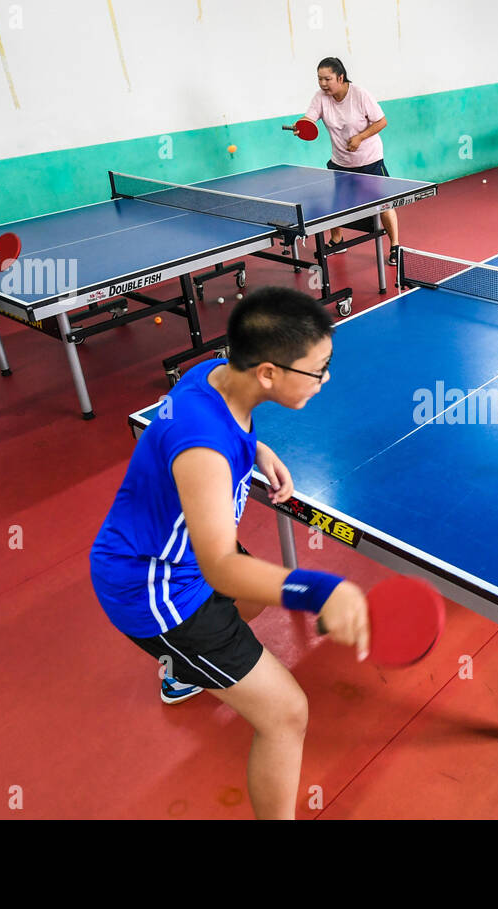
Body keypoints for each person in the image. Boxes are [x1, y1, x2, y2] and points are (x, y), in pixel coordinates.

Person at [89, 286, 370, 820]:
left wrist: (258, 449)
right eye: (317, 370)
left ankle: (180, 670)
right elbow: (221, 565)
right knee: (286, 714)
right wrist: (321, 589)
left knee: (249, 603)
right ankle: (180, 663)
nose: (325, 379)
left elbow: (220, 426)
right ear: (267, 372)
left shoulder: (211, 375)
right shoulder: (205, 451)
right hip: (157, 591)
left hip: (176, 552)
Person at [298, 57, 403, 264]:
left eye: (327, 79)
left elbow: (382, 121)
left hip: (369, 159)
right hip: (340, 161)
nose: (323, 84)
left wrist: (360, 137)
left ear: (340, 77)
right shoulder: (320, 97)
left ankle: (395, 246)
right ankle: (337, 239)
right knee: (334, 204)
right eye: (319, 79)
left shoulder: (360, 95)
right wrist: (302, 125)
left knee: (384, 203)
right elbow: (309, 118)